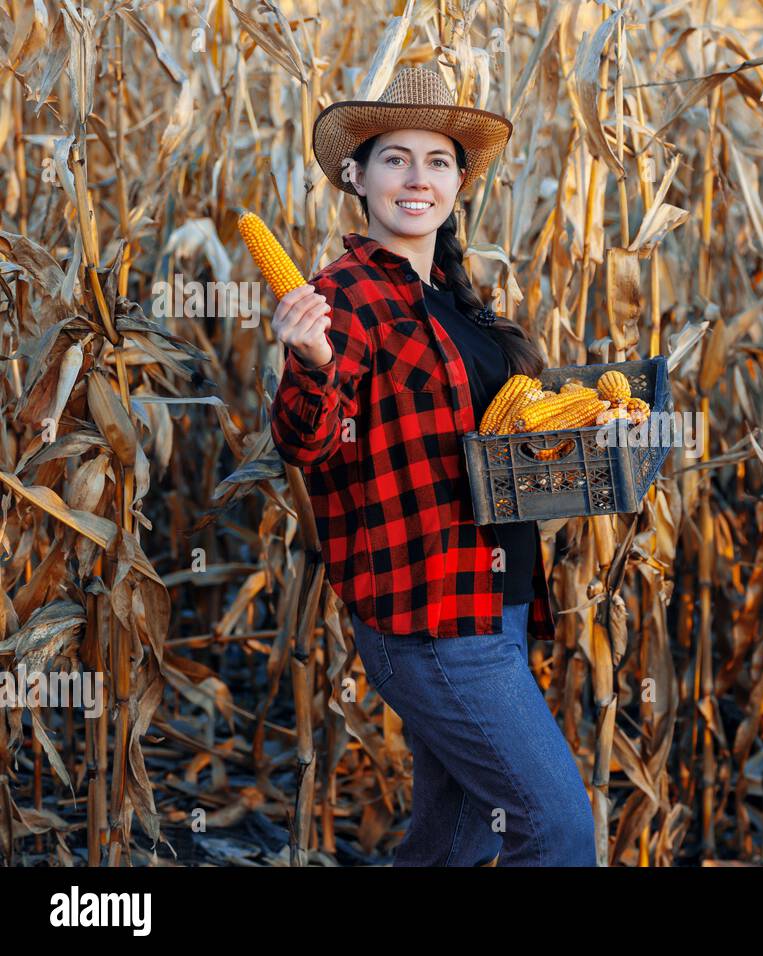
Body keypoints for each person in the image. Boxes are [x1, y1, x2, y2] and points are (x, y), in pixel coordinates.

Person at [269, 65, 596, 867]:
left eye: (438, 161)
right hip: (432, 617)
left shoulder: (452, 295)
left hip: (497, 599)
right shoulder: (342, 298)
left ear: (458, 181)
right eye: (395, 158)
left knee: (449, 841)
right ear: (358, 175)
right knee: (557, 830)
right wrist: (309, 360)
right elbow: (308, 442)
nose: (418, 178)